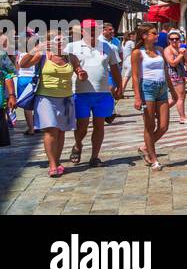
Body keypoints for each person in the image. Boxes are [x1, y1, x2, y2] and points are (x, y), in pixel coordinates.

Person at [20, 30, 88, 177]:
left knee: (61, 131)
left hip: (66, 98)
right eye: (57, 39)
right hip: (46, 98)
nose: (61, 41)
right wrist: (36, 49)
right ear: (49, 41)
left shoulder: (70, 57)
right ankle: (52, 165)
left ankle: (57, 161)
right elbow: (23, 64)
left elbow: (81, 73)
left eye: (63, 39)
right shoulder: (43, 55)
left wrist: (82, 74)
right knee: (51, 130)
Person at [67, 19, 123, 166]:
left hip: (103, 93)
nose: (92, 33)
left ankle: (94, 156)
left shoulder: (107, 47)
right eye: (89, 30)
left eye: (94, 30)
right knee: (82, 126)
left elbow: (115, 68)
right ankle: (78, 145)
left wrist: (120, 86)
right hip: (80, 93)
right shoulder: (72, 47)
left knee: (99, 126)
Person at [131, 25, 176, 170]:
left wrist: (173, 91)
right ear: (144, 35)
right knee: (149, 125)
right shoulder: (138, 53)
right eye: (154, 33)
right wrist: (137, 96)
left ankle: (145, 147)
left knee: (164, 125)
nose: (157, 36)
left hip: (161, 87)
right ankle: (154, 158)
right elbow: (135, 76)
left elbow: (165, 71)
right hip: (147, 87)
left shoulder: (160, 50)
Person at [162, 29, 187, 124]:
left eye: (176, 38)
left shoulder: (180, 48)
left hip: (180, 74)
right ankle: (182, 117)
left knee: (176, 97)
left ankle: (159, 110)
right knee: (180, 97)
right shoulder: (168, 50)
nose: (174, 41)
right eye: (172, 39)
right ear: (169, 40)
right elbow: (172, 63)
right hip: (173, 75)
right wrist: (180, 55)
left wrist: (184, 54)